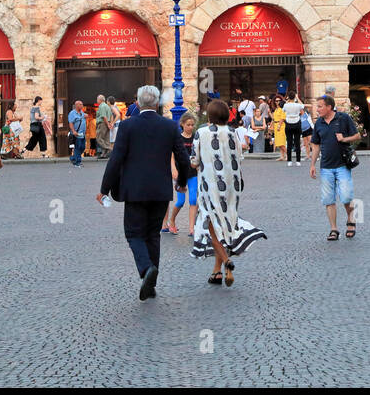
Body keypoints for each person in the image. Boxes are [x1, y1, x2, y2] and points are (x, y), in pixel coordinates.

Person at [97, 85, 186, 302]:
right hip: (160, 190)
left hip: (135, 190)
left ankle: (146, 269)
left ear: (137, 103)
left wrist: (104, 189)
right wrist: (182, 181)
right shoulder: (169, 126)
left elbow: (116, 158)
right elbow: (182, 157)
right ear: (157, 104)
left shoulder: (128, 126)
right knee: (153, 235)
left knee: (134, 234)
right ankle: (151, 284)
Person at [190, 98, 267, 286]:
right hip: (232, 186)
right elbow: (239, 157)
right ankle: (218, 272)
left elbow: (194, 160)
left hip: (210, 186)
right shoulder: (233, 133)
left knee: (211, 225)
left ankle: (226, 261)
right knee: (225, 224)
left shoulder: (201, 133)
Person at [308, 94, 361, 241]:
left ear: (329, 107)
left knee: (346, 197)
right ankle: (334, 229)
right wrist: (312, 164)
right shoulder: (318, 123)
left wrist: (344, 139)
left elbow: (357, 136)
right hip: (326, 166)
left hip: (343, 165)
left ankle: (352, 220)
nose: (317, 109)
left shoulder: (343, 118)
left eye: (320, 106)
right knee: (328, 199)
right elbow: (316, 145)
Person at [163, 113, 199, 237]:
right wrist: (173, 168)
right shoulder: (177, 138)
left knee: (193, 199)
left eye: (192, 125)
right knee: (180, 201)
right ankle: (172, 220)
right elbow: (172, 155)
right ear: (182, 124)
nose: (190, 127)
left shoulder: (196, 137)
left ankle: (191, 228)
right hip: (181, 173)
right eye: (188, 124)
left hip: (193, 172)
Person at [283, 93, 305, 165]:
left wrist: (287, 100)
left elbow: (283, 109)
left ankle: (289, 161)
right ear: (294, 97)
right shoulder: (298, 105)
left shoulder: (286, 105)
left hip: (288, 122)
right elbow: (303, 106)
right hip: (296, 122)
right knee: (297, 142)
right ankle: (298, 161)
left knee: (289, 142)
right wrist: (298, 98)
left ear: (289, 97)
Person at [67, 100, 87, 167]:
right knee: (77, 148)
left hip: (82, 134)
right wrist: (73, 131)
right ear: (76, 105)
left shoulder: (82, 112)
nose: (82, 106)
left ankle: (73, 158)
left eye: (82, 104)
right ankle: (77, 162)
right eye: (80, 104)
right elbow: (71, 123)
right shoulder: (72, 113)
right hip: (76, 134)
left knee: (83, 147)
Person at [94, 95, 113, 161]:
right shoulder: (107, 106)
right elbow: (111, 116)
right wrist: (110, 123)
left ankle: (110, 149)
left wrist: (107, 124)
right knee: (106, 139)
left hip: (102, 124)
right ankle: (104, 154)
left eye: (97, 99)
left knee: (99, 138)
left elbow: (103, 116)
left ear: (100, 100)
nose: (97, 100)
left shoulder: (102, 106)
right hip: (107, 123)